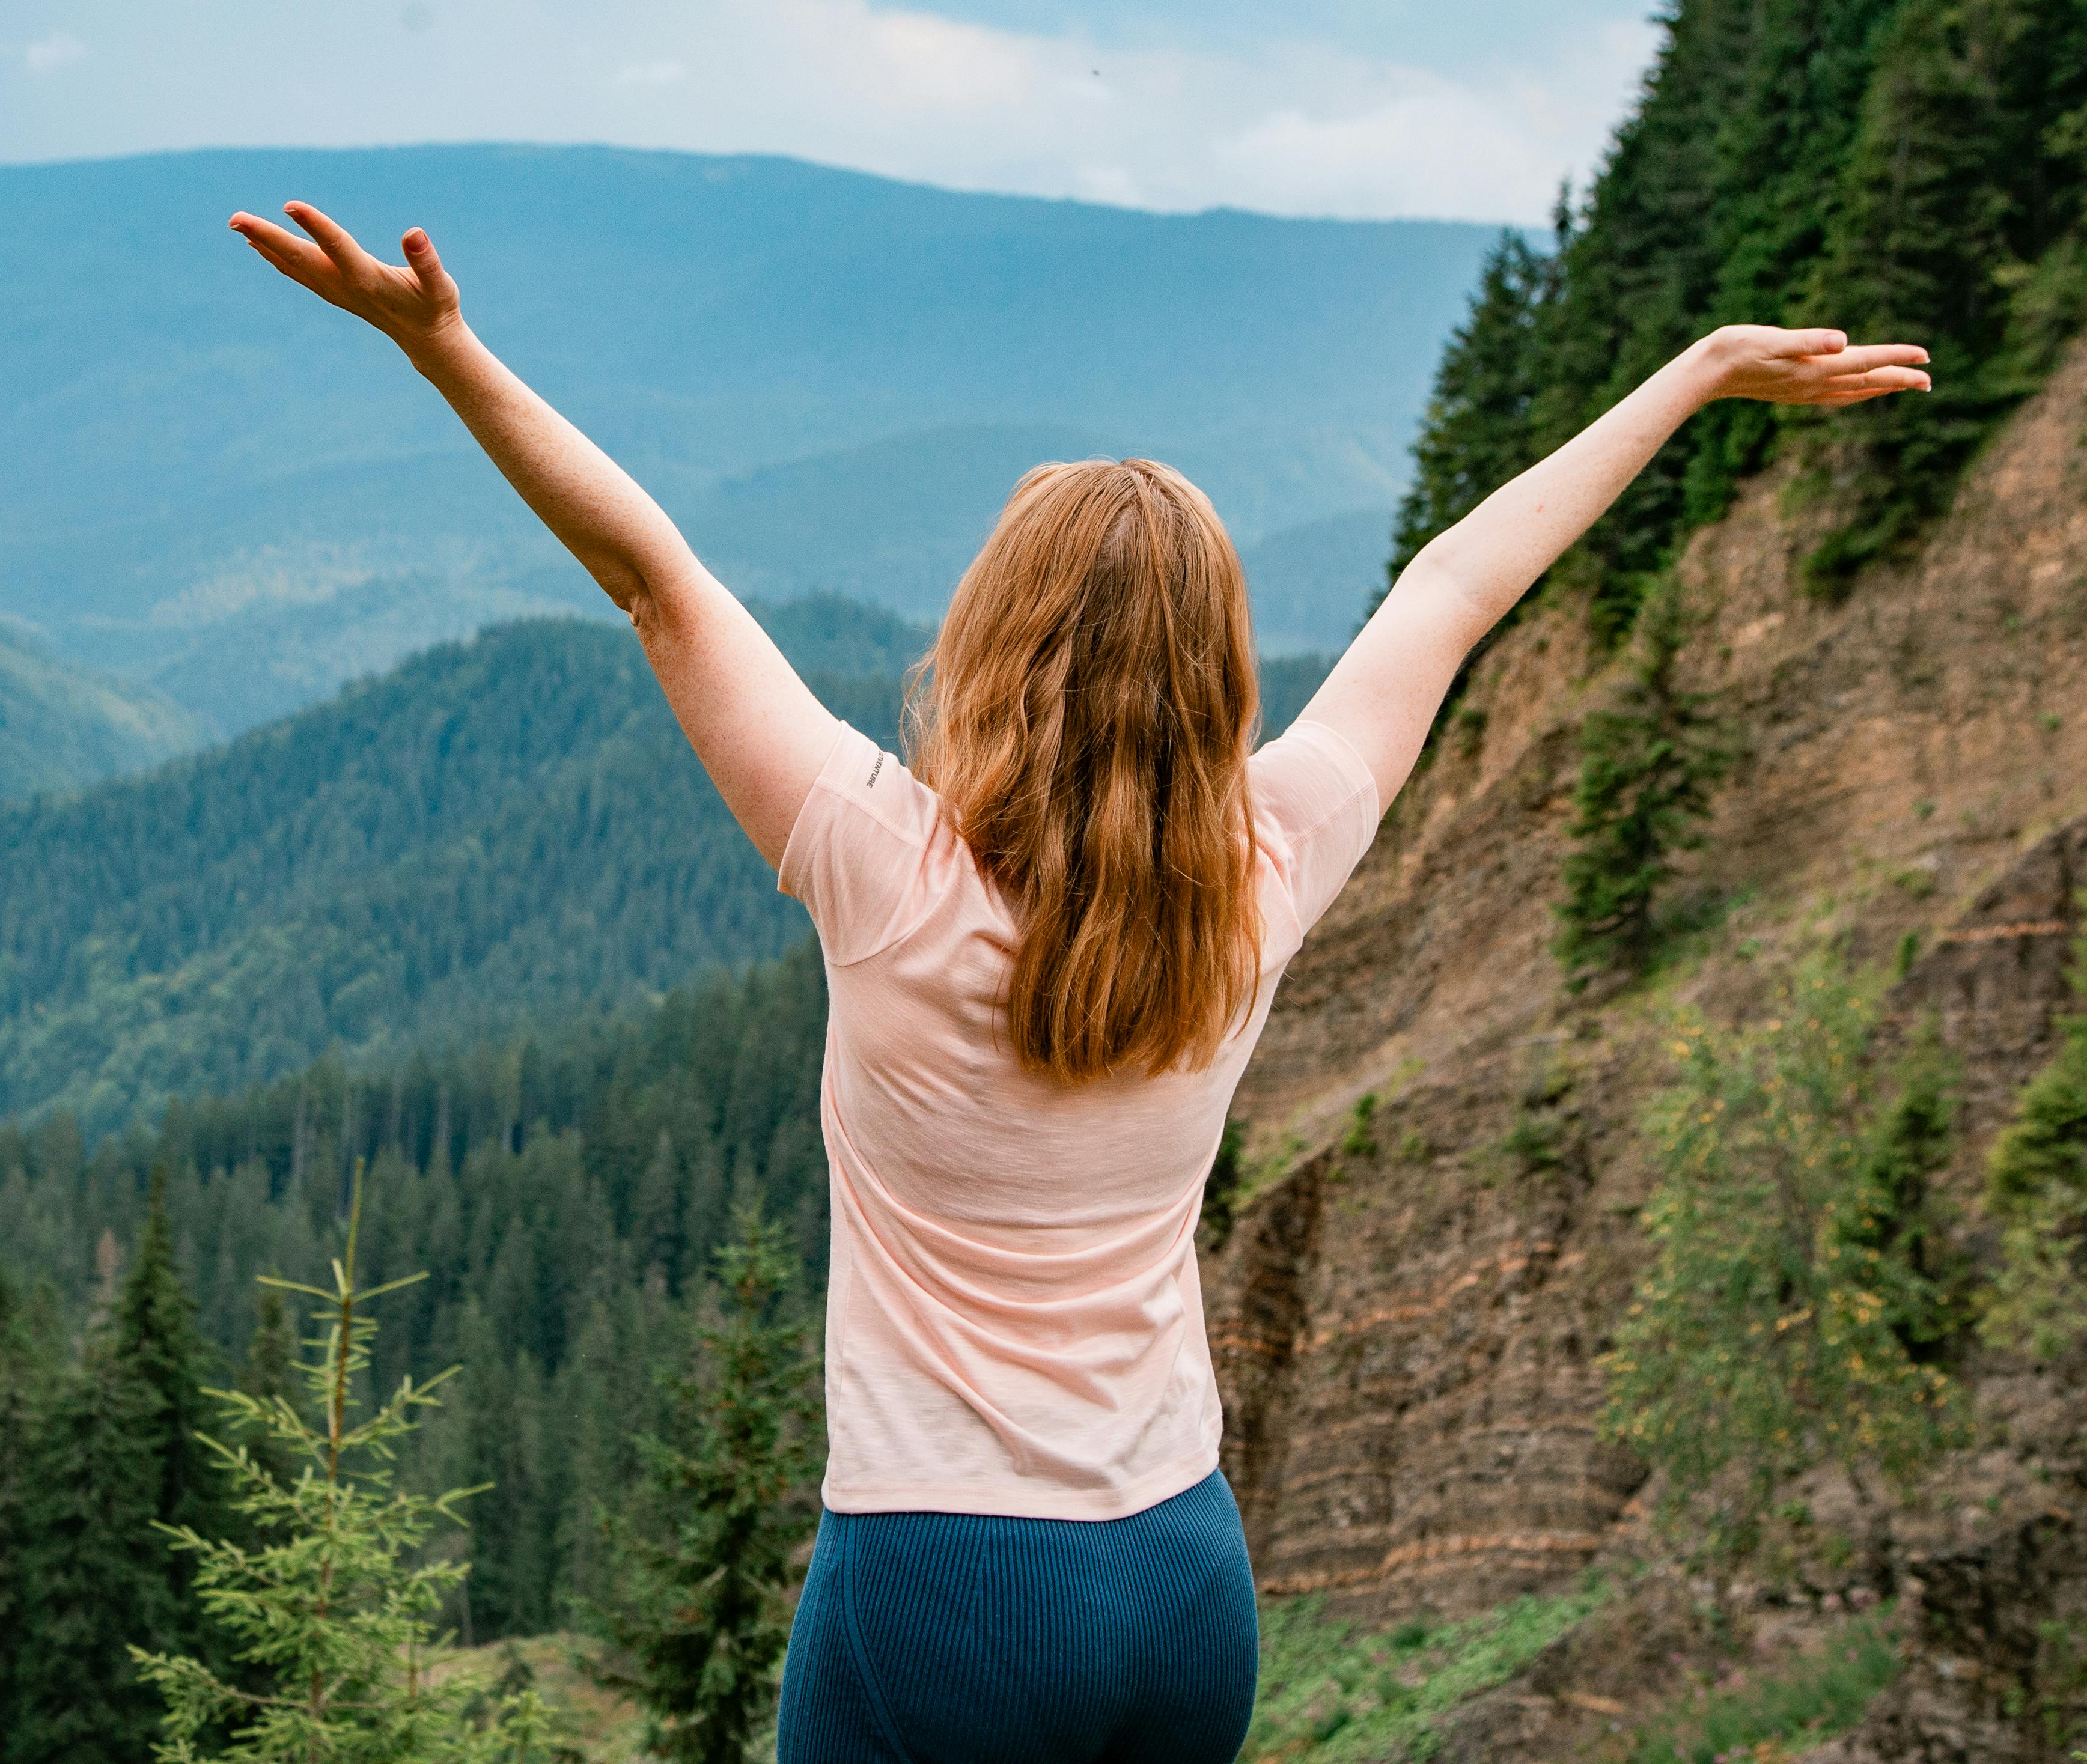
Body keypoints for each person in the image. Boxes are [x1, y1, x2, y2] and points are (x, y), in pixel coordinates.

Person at [228, 198, 1930, 1763]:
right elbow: (1461, 590)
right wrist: (1692, 378)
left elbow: (657, 581)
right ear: (1218, 677)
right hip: (1184, 1575)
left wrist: (442, 348)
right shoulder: (1265, 868)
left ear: (991, 641)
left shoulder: (882, 869)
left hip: (938, 1585)